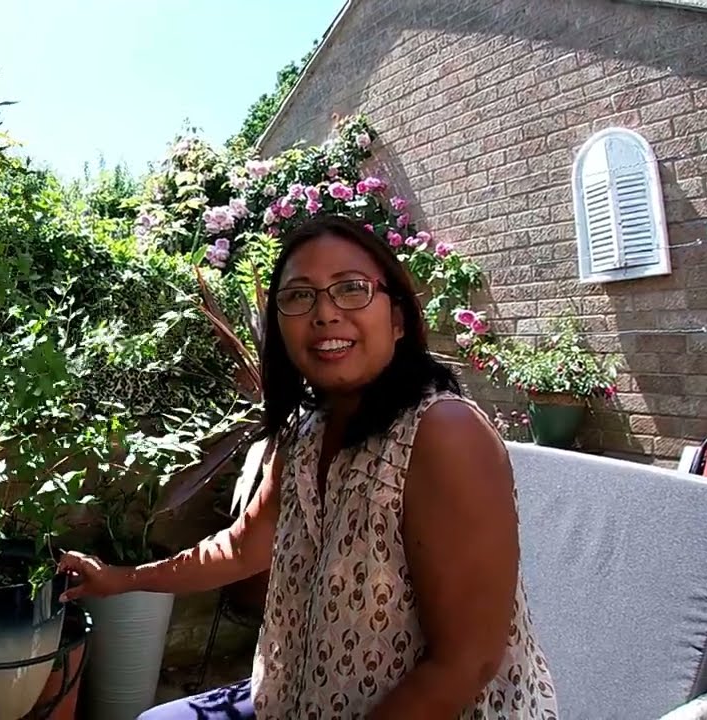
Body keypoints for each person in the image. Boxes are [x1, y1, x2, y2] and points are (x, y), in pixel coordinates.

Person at [58, 215, 560, 719]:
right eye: (300, 296)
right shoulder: (305, 433)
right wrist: (121, 579)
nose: (324, 314)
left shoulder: (443, 432)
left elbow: (466, 664)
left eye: (351, 289)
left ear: (399, 318)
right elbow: (240, 547)